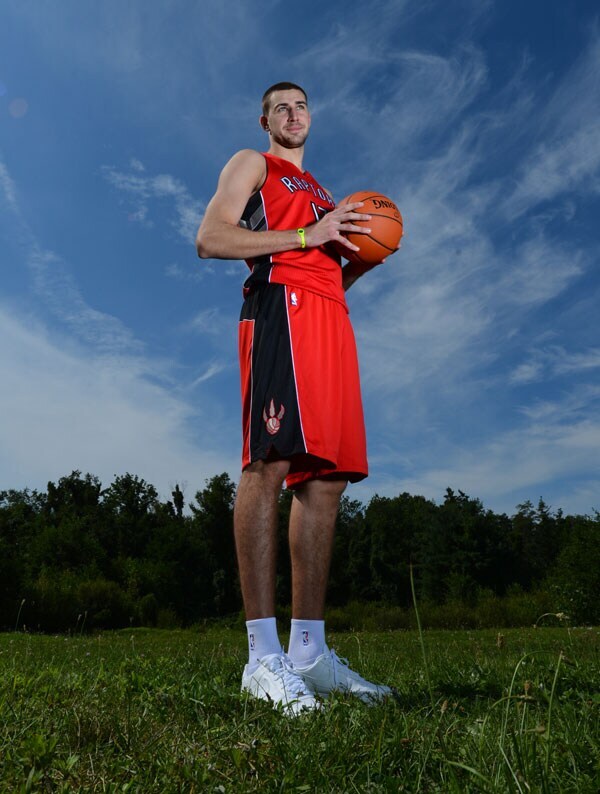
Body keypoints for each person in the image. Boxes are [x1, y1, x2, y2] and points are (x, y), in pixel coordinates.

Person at [196, 82, 393, 714]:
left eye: (302, 105)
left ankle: (309, 650)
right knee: (269, 464)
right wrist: (309, 237)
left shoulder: (326, 196)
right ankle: (262, 656)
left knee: (326, 482)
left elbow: (330, 261)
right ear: (265, 119)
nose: (293, 113)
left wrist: (360, 256)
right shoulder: (255, 165)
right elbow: (211, 238)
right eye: (281, 106)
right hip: (279, 307)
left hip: (330, 320)